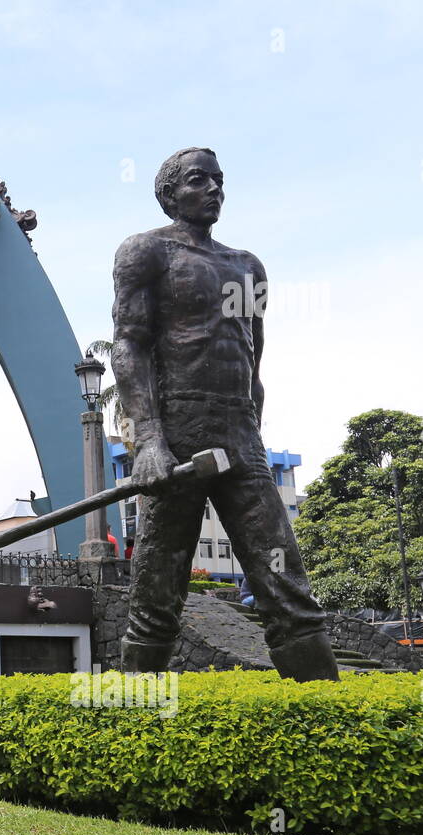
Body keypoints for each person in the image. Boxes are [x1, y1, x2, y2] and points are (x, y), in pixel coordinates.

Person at [110, 147, 338, 681]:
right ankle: (131, 717)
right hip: (176, 429)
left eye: (218, 180)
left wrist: (252, 430)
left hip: (239, 432)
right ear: (169, 194)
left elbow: (251, 354)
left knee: (282, 572)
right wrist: (148, 441)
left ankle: (329, 711)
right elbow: (129, 346)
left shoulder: (246, 266)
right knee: (158, 588)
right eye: (198, 181)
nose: (213, 189)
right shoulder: (146, 252)